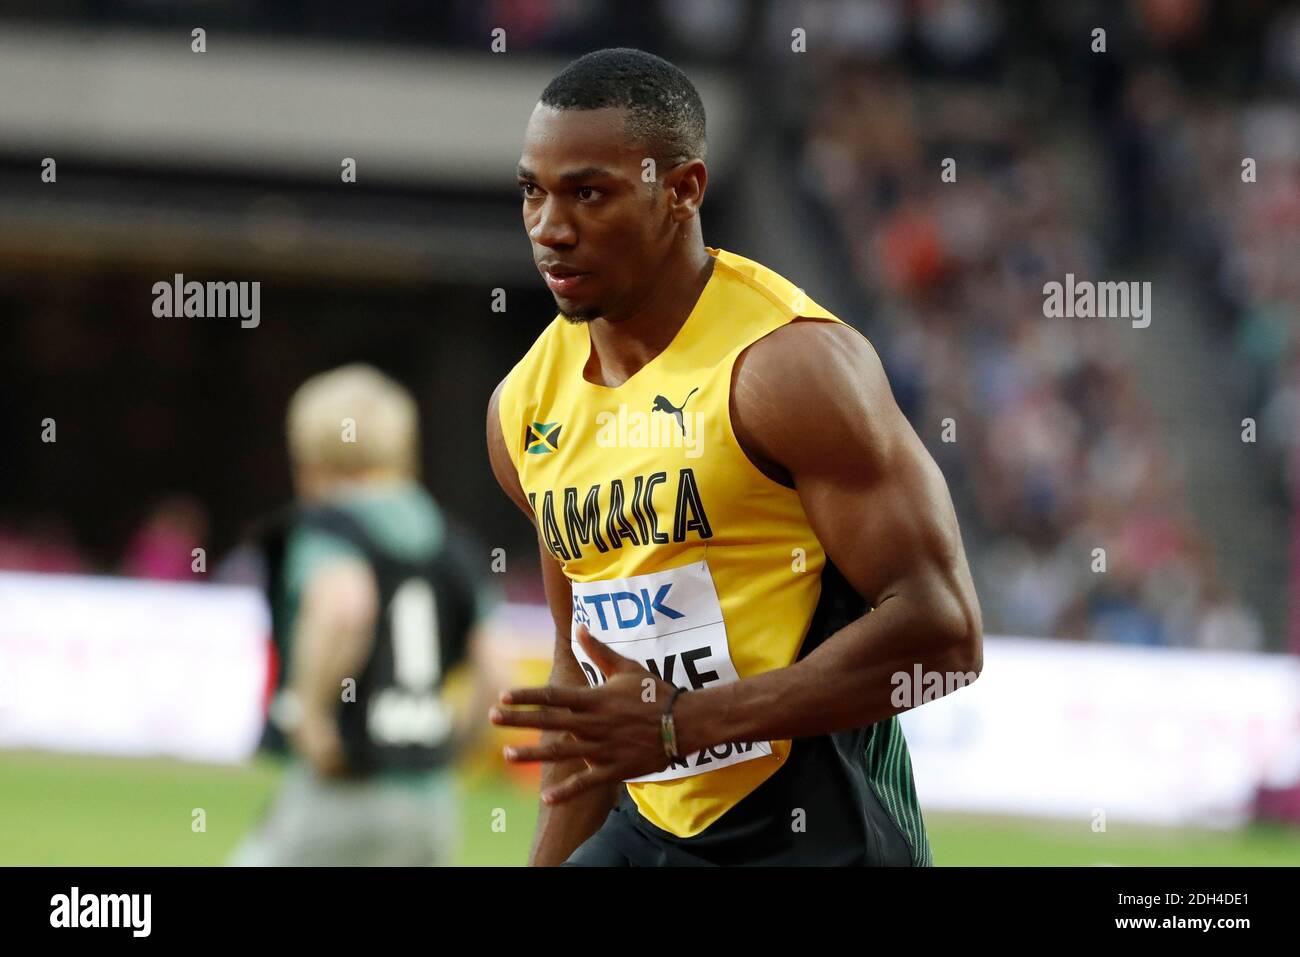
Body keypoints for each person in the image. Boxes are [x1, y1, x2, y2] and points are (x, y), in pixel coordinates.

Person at [486, 48, 983, 867]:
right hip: (650, 831)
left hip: (816, 833)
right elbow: (585, 678)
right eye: (532, 191)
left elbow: (946, 638)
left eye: (588, 192)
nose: (550, 227)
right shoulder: (522, 409)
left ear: (681, 190)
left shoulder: (791, 369)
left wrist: (685, 724)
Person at [232, 364, 497, 866]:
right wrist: (459, 745)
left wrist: (310, 716)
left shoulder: (330, 527)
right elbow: (497, 669)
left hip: (343, 790)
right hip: (431, 802)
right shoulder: (451, 541)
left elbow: (345, 606)